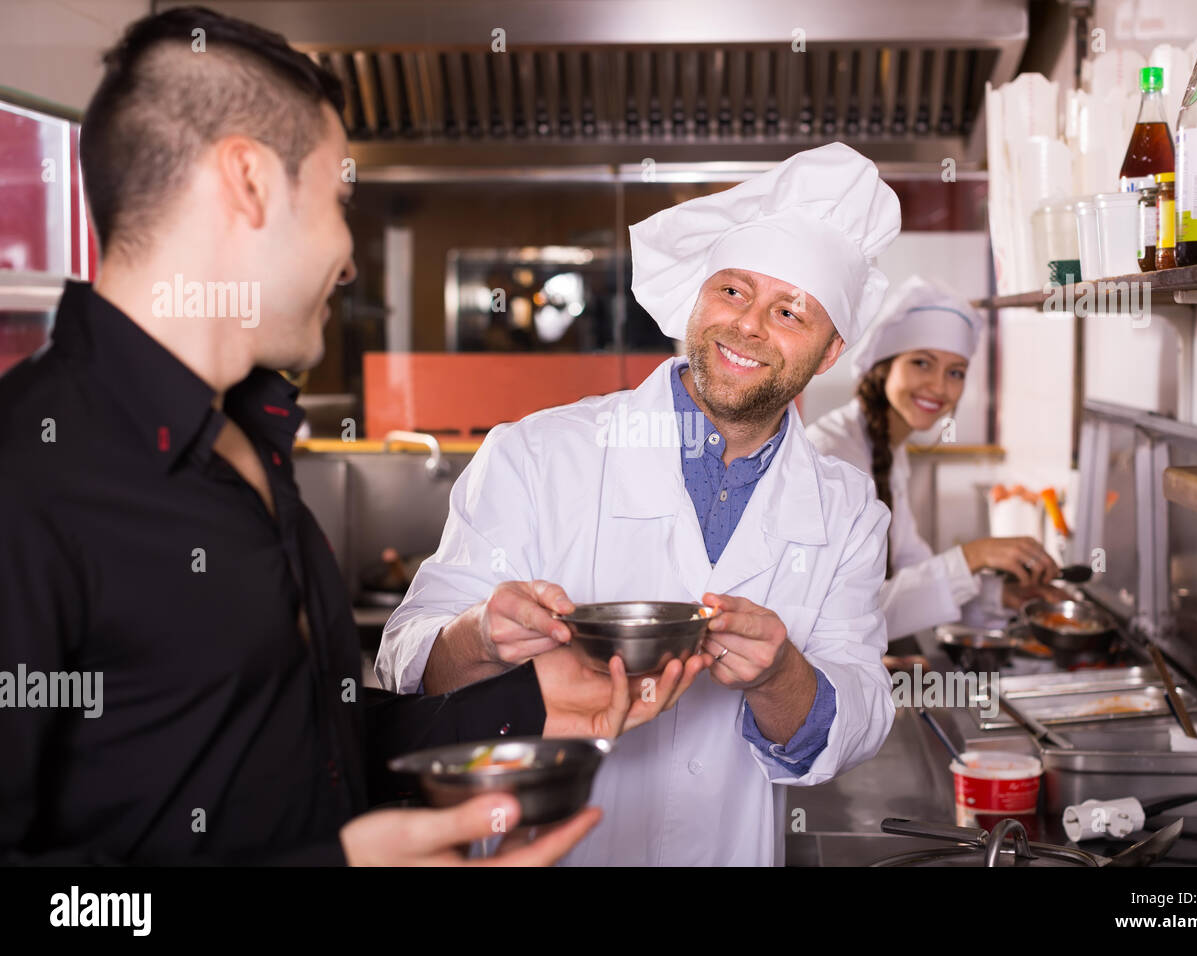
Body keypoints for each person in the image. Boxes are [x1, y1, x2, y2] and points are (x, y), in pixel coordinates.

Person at [0, 6, 702, 867]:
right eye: (338, 198)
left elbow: (305, 747)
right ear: (248, 182)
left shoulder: (249, 447)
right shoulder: (28, 476)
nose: (351, 258)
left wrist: (521, 706)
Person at [377, 142, 902, 866]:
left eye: (790, 311)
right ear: (698, 297)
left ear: (830, 350)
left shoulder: (847, 511)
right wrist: (480, 636)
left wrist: (781, 673)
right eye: (733, 291)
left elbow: (863, 712)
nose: (749, 325)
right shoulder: (536, 455)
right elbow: (407, 665)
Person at [805, 276, 1060, 641]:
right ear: (884, 365)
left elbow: (912, 566)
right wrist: (973, 555)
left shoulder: (887, 448)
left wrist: (1000, 596)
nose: (939, 387)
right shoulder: (832, 456)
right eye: (922, 363)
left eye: (955, 372)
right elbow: (851, 613)